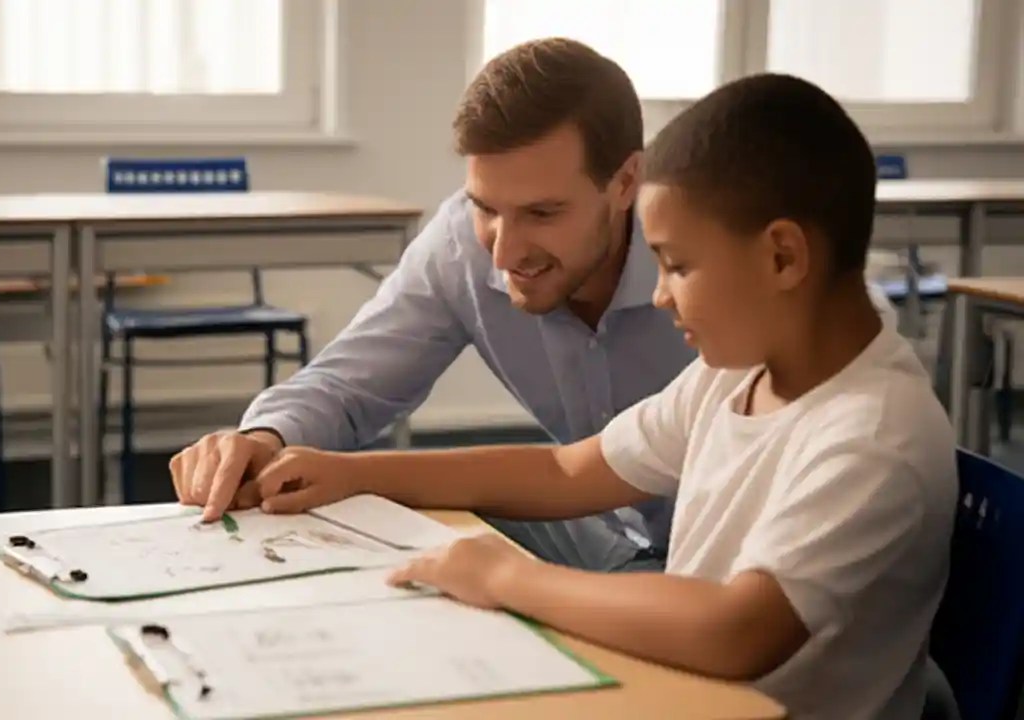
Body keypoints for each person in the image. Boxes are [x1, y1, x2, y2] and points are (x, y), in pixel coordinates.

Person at [236, 74, 958, 720]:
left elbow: (737, 630)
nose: (661, 293)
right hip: (688, 688)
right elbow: (568, 472)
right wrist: (349, 471)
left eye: (677, 266)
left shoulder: (873, 431)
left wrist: (506, 577)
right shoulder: (737, 373)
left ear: (781, 256)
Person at [172, 37, 694, 572]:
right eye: (486, 207)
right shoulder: (460, 246)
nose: (504, 249)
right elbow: (349, 383)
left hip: (718, 565)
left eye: (542, 213)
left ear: (627, 181)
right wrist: (265, 437)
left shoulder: (708, 263)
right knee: (356, 512)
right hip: (600, 535)